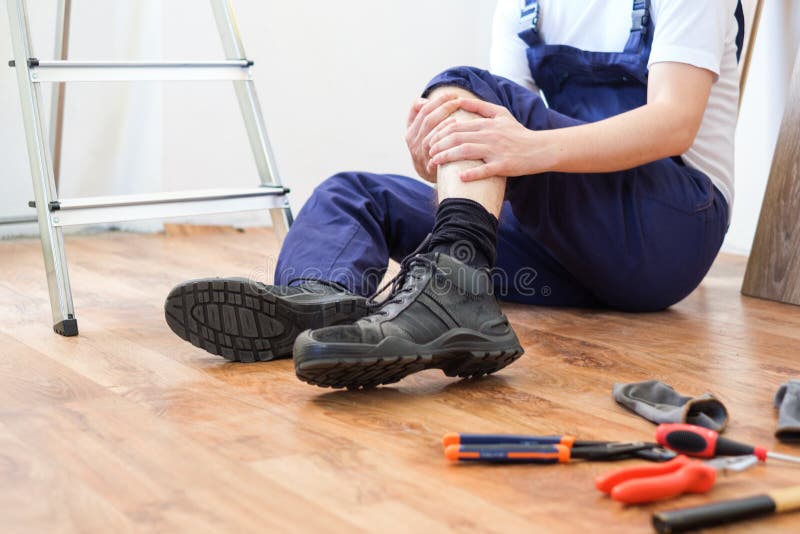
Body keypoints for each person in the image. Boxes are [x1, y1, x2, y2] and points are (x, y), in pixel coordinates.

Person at [165, 0, 742, 390]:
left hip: (667, 232)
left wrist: (520, 144)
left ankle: (452, 287)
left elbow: (674, 122)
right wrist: (443, 157)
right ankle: (323, 305)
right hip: (572, 255)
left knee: (464, 87)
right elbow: (498, 142)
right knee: (353, 193)